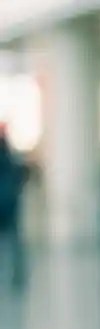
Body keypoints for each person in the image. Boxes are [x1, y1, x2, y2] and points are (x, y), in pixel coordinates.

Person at [0, 123, 27, 291]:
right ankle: (17, 276)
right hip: (9, 202)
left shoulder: (7, 153)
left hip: (7, 203)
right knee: (14, 242)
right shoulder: (9, 153)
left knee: (13, 242)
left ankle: (17, 276)